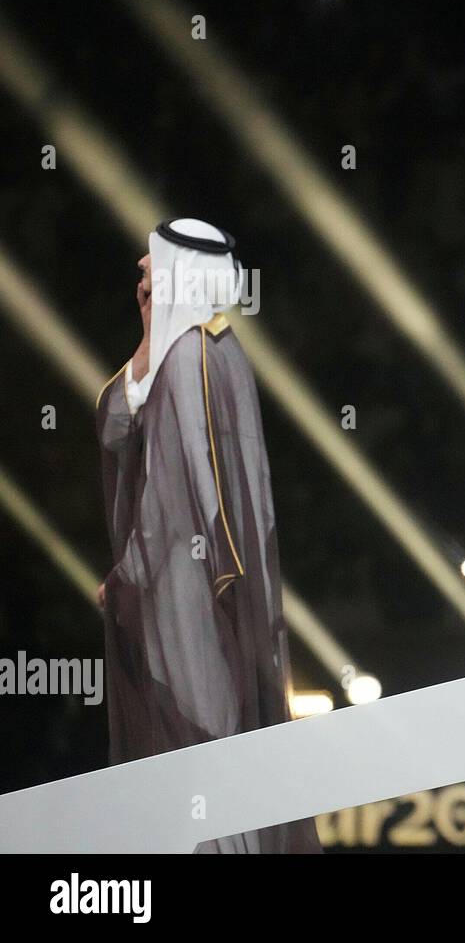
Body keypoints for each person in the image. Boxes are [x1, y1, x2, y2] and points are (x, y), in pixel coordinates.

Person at [94, 218, 321, 853]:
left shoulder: (192, 356)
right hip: (202, 587)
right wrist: (148, 337)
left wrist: (126, 577)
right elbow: (118, 424)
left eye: (151, 265)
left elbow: (170, 492)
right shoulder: (211, 349)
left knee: (202, 755)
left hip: (188, 596)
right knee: (215, 759)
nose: (140, 272)